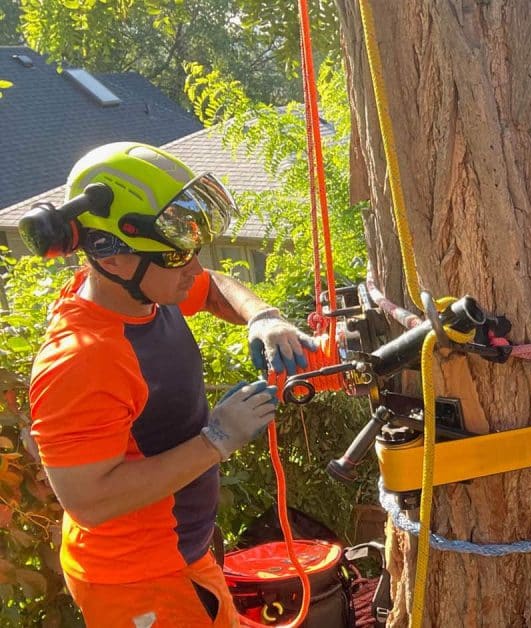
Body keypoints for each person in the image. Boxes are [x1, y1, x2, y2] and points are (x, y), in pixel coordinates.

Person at [25, 142, 316, 626]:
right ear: (109, 255)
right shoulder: (82, 360)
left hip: (180, 554)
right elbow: (89, 501)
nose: (194, 269)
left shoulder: (142, 291)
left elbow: (215, 285)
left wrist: (261, 316)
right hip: (136, 581)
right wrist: (217, 440)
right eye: (178, 255)